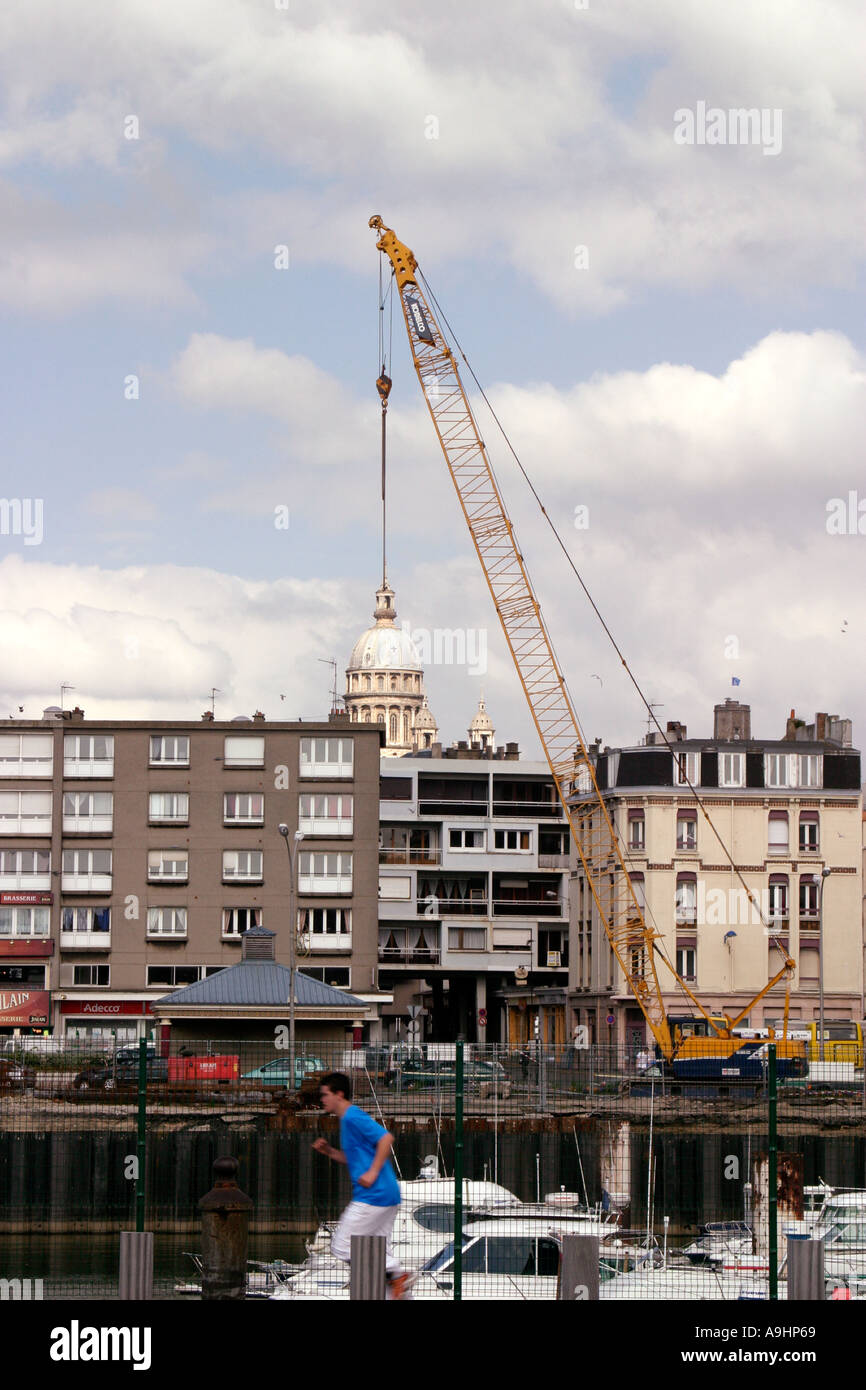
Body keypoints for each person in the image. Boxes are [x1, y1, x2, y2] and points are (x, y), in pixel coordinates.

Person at [312, 1071, 414, 1299]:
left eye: (325, 1095)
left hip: (373, 1194)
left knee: (341, 1246)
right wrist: (329, 1151)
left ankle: (397, 1274)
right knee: (380, 1250)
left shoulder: (352, 1117)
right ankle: (398, 1287)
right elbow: (352, 1157)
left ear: (339, 1094)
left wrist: (372, 1172)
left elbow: (386, 1139)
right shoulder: (346, 1121)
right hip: (386, 1194)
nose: (322, 1099)